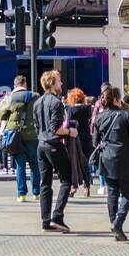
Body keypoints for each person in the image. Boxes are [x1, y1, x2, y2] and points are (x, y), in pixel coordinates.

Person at [93, 87, 129, 240]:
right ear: (117, 99)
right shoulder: (125, 115)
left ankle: (114, 223)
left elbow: (95, 141)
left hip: (106, 158)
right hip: (123, 158)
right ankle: (118, 222)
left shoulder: (100, 117)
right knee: (127, 193)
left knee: (112, 193)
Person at [34, 70, 77, 232]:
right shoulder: (56, 103)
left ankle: (45, 221)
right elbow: (56, 129)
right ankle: (57, 216)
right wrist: (70, 132)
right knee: (67, 180)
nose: (61, 83)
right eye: (59, 81)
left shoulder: (38, 102)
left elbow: (38, 126)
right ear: (52, 83)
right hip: (54, 144)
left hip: (41, 145)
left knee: (45, 184)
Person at [0, 76, 40, 202]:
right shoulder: (35, 96)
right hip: (32, 135)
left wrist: (1, 132)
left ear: (15, 85)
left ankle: (22, 194)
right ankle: (36, 192)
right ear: (25, 84)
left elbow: (2, 116)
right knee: (34, 165)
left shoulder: (10, 98)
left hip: (16, 136)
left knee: (20, 166)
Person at [67, 89, 93, 196]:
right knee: (86, 163)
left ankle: (73, 186)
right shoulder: (88, 108)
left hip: (75, 138)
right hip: (86, 138)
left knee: (74, 163)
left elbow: (68, 122)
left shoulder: (71, 110)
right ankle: (87, 187)